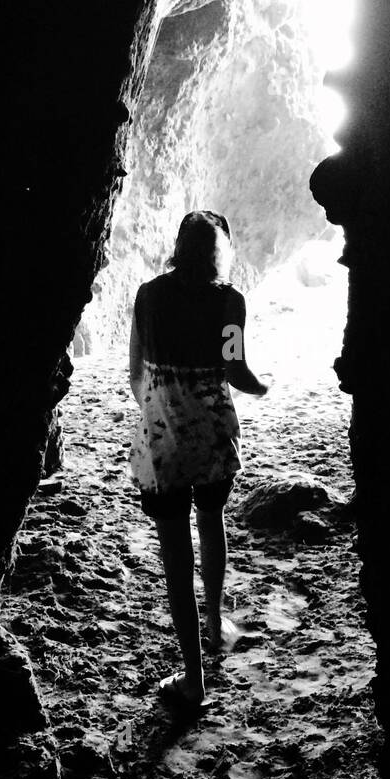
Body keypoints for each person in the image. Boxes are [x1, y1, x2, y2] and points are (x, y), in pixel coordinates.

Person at [128, 211, 271, 711]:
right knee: (212, 523)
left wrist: (165, 407)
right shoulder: (230, 300)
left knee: (174, 555)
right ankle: (215, 624)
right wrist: (264, 386)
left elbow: (135, 376)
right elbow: (236, 370)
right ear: (219, 250)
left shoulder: (147, 295)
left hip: (163, 442)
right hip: (213, 438)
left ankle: (192, 677)